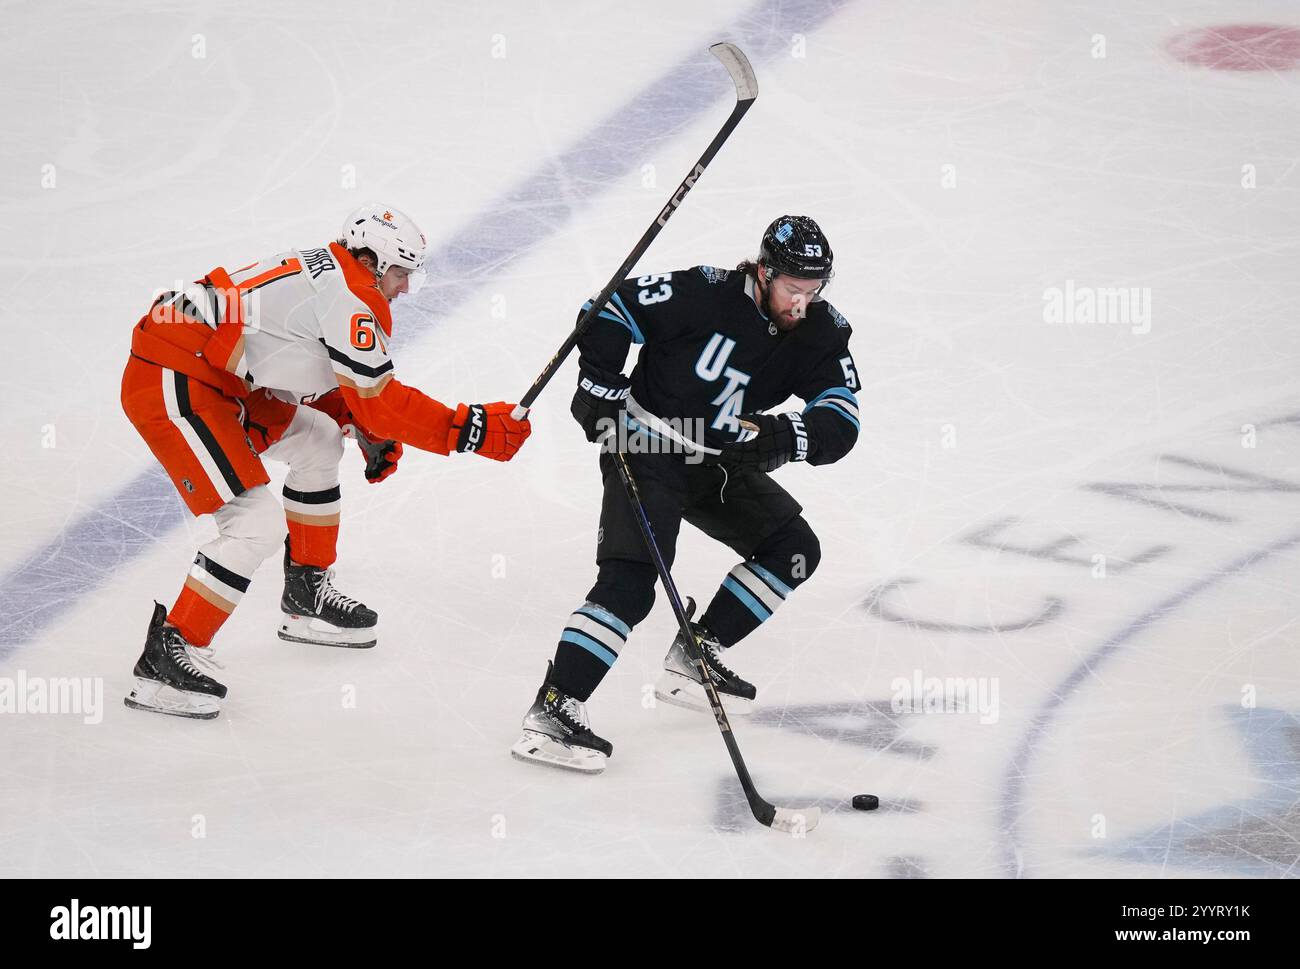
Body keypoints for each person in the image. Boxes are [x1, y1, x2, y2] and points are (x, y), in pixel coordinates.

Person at [120, 204, 531, 719]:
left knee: (318, 441)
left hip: (214, 374)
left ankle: (305, 591)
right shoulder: (350, 296)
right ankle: (166, 654)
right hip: (175, 378)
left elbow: (295, 359)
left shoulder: (333, 272)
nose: (405, 288)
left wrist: (356, 420)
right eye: (400, 273)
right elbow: (379, 398)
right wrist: (470, 429)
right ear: (371, 260)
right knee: (256, 525)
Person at [512, 215, 858, 773]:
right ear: (765, 272)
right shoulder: (704, 292)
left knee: (793, 549)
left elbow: (842, 416)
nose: (802, 302)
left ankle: (697, 653)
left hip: (716, 458)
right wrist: (599, 384)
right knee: (630, 582)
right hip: (643, 442)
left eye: (814, 289)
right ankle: (554, 707)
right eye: (793, 288)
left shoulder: (819, 329)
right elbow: (607, 309)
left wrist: (789, 435)